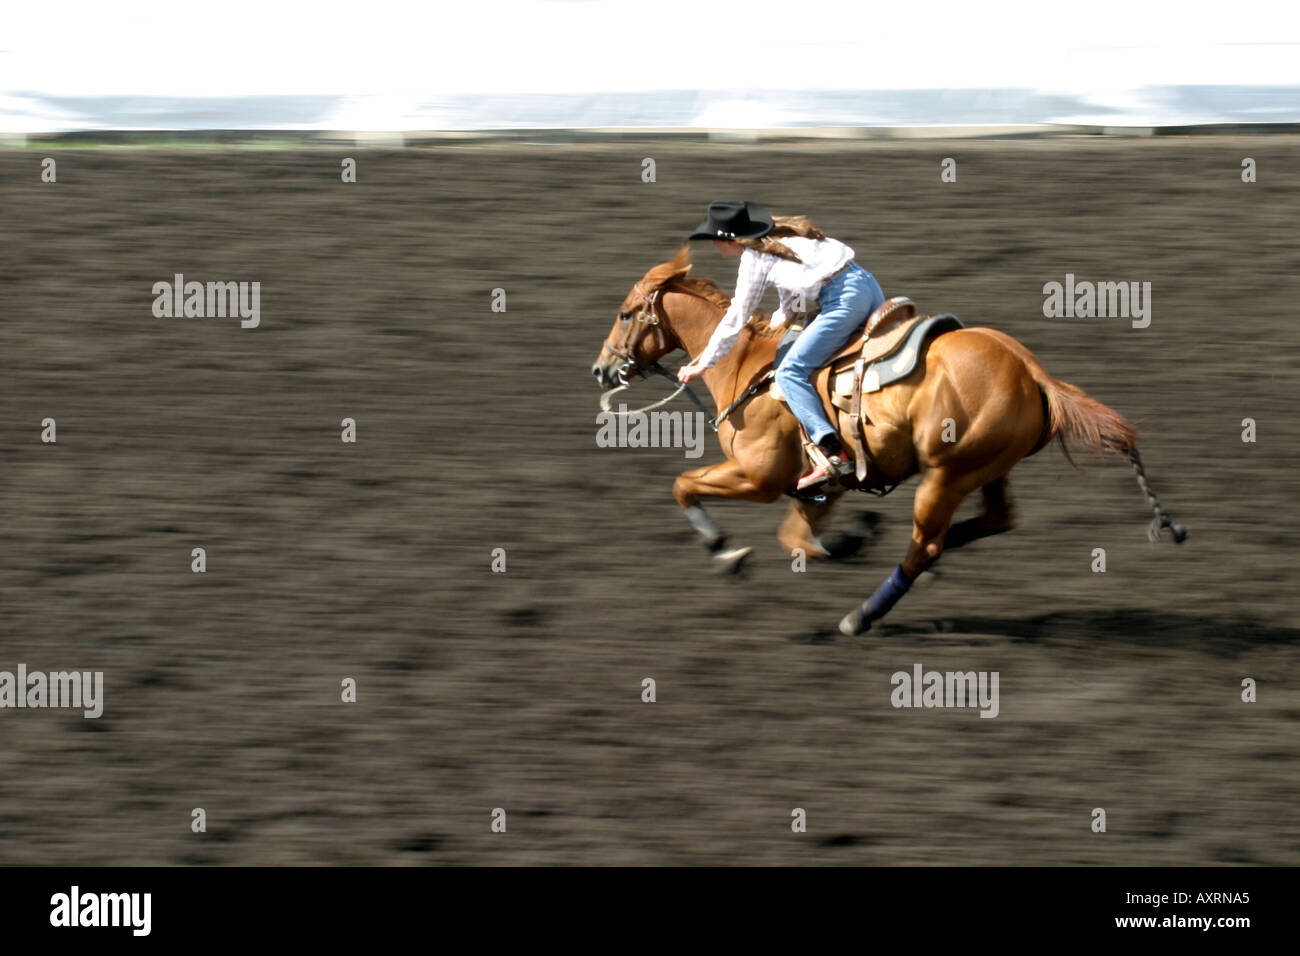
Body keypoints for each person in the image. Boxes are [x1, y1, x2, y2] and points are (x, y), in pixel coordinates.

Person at [678, 200, 885, 490]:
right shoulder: (782, 242)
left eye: (714, 238)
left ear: (728, 239)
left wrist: (704, 362)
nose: (713, 244)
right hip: (867, 285)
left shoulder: (754, 259)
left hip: (844, 300)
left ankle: (832, 453)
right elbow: (791, 303)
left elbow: (737, 316)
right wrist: (774, 328)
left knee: (790, 372)